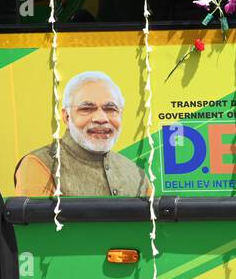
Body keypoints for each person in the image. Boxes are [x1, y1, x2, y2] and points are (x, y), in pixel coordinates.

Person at [14, 71, 150, 197]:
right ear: (66, 117)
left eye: (110, 109)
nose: (101, 118)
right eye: (87, 108)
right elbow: (40, 222)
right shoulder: (40, 164)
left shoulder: (137, 175)